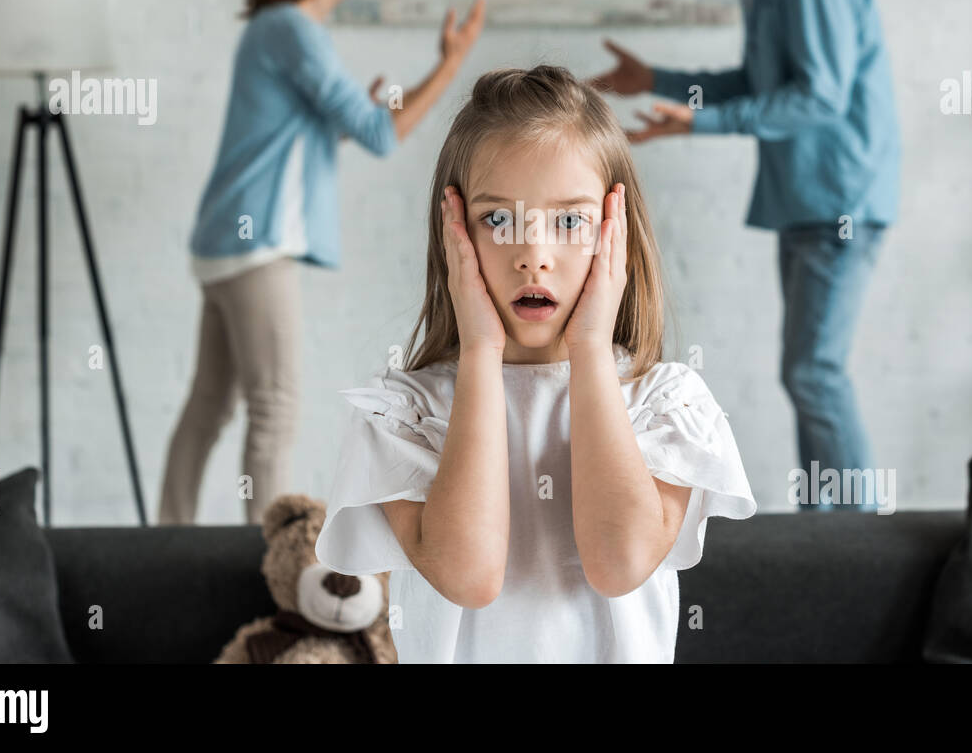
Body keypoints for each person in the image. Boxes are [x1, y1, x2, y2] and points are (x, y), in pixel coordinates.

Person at [314, 66, 757, 662]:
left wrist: (591, 351)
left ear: (614, 234)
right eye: (498, 220)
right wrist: (480, 352)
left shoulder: (664, 405)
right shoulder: (405, 415)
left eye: (569, 221)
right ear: (455, 234)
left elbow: (619, 563)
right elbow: (469, 576)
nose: (533, 256)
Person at [590, 0, 899, 512]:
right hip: (810, 198)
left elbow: (820, 96)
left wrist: (701, 119)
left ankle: (851, 542)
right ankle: (837, 531)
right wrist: (660, 80)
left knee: (814, 373)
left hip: (838, 199)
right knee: (809, 372)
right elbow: (764, 83)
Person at [158, 0, 485, 525]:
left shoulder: (279, 31)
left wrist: (351, 116)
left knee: (211, 406)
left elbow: (316, 132)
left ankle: (167, 535)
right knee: (275, 406)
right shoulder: (293, 31)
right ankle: (270, 559)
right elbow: (379, 135)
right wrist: (451, 64)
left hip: (226, 240)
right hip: (255, 244)